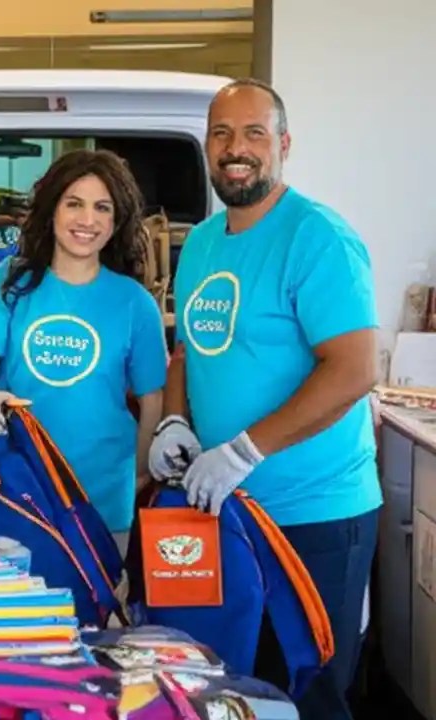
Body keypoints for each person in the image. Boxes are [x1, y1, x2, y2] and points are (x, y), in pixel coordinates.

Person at [148, 79, 380, 719]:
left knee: (311, 690)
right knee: (236, 689)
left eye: (254, 133)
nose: (236, 148)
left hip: (315, 515)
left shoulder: (317, 237)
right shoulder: (201, 242)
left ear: (283, 144)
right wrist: (174, 418)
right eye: (222, 134)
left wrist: (245, 450)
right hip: (225, 511)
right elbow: (189, 352)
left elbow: (354, 369)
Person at [0, 149, 168, 551]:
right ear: (52, 210)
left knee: (96, 610)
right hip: (17, 487)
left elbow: (153, 400)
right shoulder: (10, 282)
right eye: (74, 204)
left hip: (102, 497)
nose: (87, 220)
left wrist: (138, 475)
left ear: (116, 222)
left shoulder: (134, 303)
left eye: (102, 208)